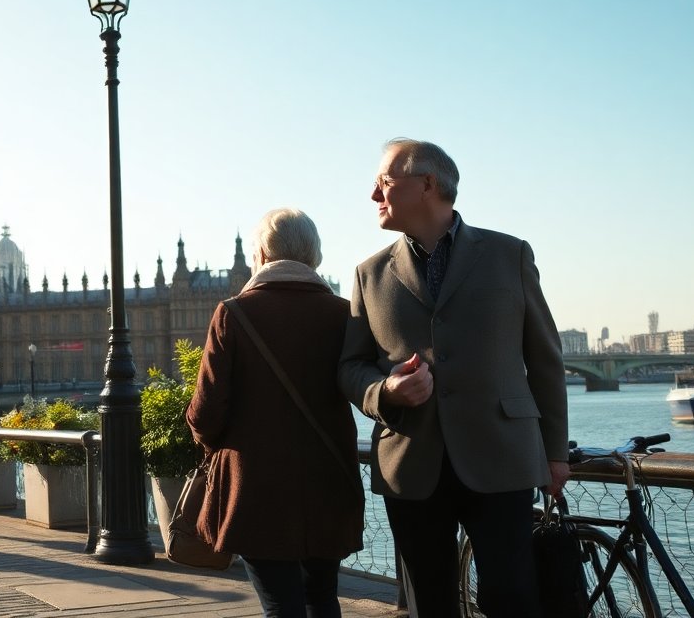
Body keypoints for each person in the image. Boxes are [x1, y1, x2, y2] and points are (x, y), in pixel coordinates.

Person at [338, 139, 568, 618]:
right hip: (411, 464)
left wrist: (555, 453)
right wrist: (387, 391)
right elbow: (350, 367)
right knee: (428, 603)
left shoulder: (510, 255)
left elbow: (545, 359)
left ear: (427, 185)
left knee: (513, 598)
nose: (372, 194)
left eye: (383, 181)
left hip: (502, 456)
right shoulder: (368, 274)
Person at [186, 208, 363, 616]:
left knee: (281, 605)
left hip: (257, 491)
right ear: (313, 256)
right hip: (329, 483)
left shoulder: (233, 313)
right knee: (322, 598)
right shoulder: (345, 314)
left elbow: (207, 413)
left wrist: (204, 435)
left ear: (262, 255)